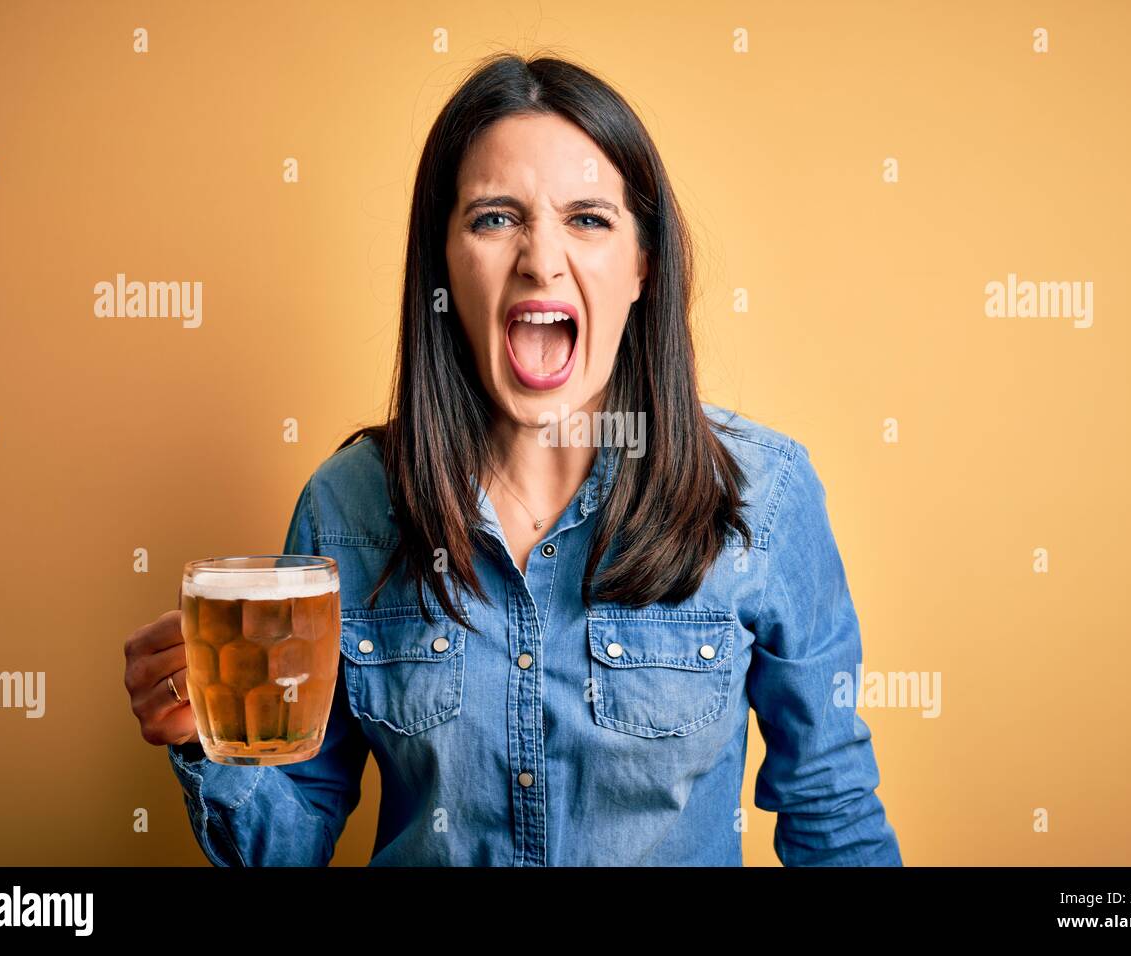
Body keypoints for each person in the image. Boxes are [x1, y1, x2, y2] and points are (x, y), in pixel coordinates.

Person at [123, 51, 903, 867]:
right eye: (495, 218)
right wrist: (205, 742)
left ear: (643, 265)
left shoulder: (763, 496)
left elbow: (833, 813)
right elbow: (286, 847)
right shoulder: (347, 508)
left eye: (589, 219)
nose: (540, 258)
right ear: (444, 269)